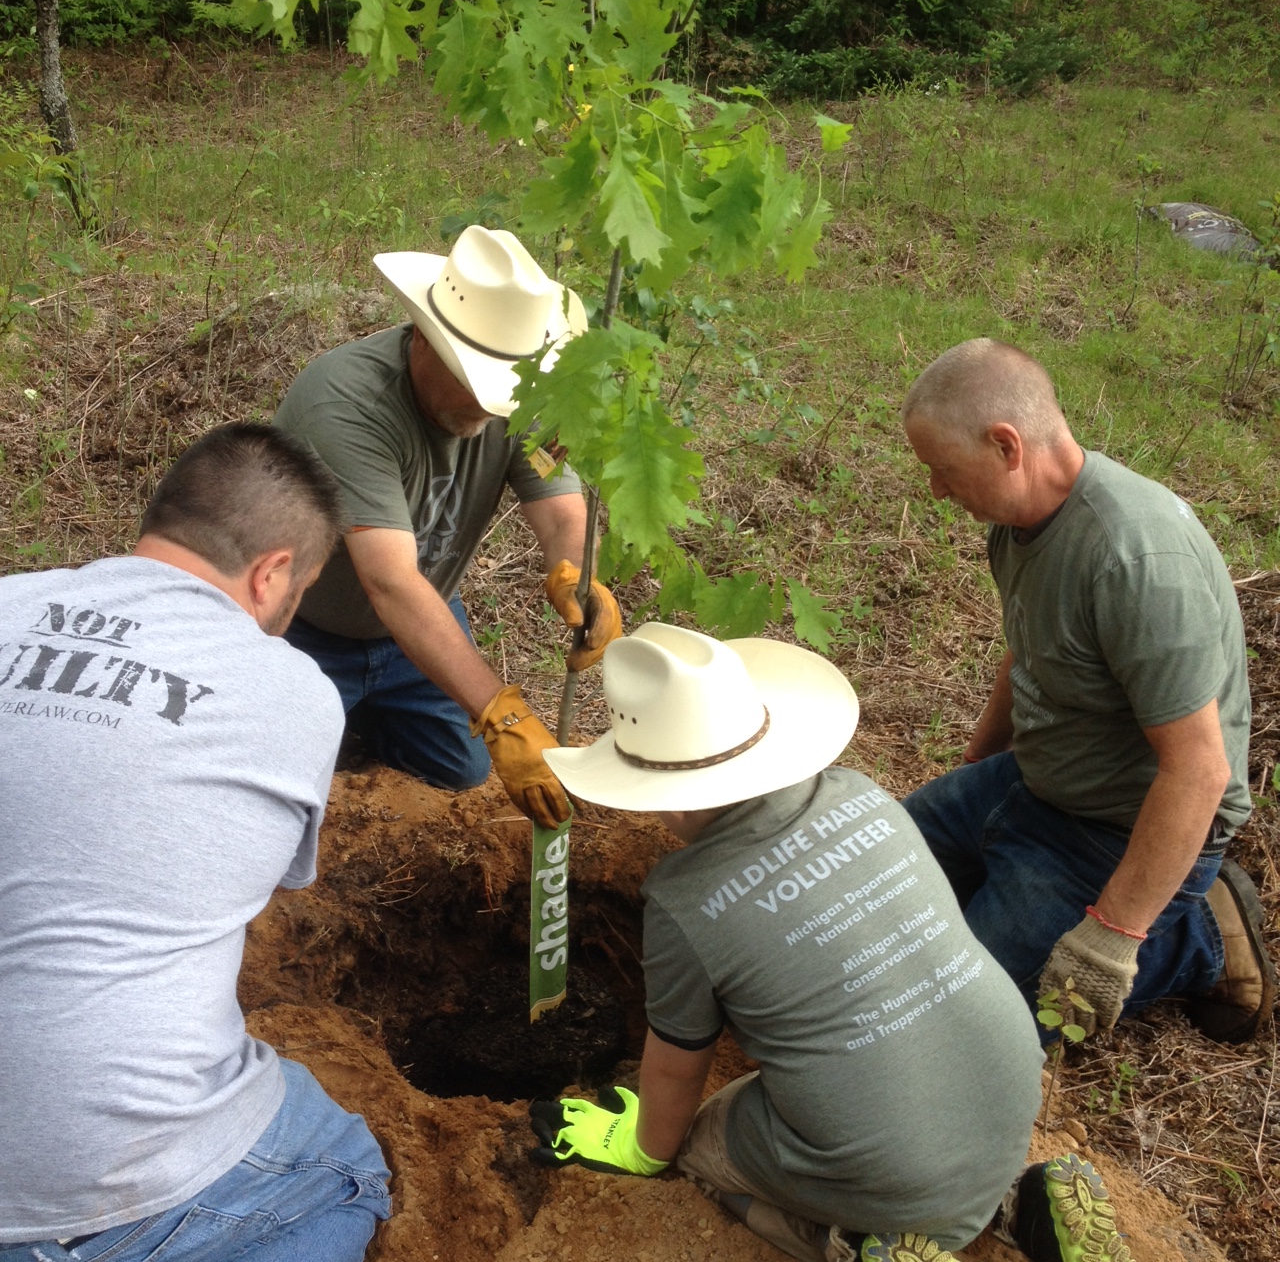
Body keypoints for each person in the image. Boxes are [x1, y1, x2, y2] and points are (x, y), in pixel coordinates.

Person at [527, 622, 1130, 1262]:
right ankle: (1020, 1200)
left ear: (652, 791)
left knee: (700, 1146)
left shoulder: (683, 901)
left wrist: (640, 1149)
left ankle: (849, 1240)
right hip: (1008, 1085)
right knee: (905, 1114)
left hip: (882, 1159)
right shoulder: (861, 793)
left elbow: (676, 1069)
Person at [0, 424, 391, 1262]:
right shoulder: (290, 690)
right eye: (299, 594)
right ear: (273, 572)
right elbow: (262, 877)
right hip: (91, 1185)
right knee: (343, 1165)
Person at [899, 338, 1273, 1043]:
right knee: (877, 886)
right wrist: (978, 767)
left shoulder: (1136, 560)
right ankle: (1015, 885)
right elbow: (1030, 648)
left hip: (1121, 826)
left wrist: (1112, 936)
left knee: (963, 1024)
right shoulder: (1018, 523)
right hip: (1037, 779)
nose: (938, 491)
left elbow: (1198, 769)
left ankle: (1199, 940)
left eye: (944, 470)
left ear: (1007, 445)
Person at [273, 225, 622, 829]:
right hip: (302, 629)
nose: (490, 411)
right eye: (476, 385)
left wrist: (571, 571)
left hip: (418, 623)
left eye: (503, 395)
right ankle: (328, 714)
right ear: (424, 342)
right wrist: (502, 714)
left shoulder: (515, 397)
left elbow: (563, 509)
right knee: (279, 781)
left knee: (461, 768)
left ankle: (365, 712)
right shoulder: (345, 403)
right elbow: (390, 584)